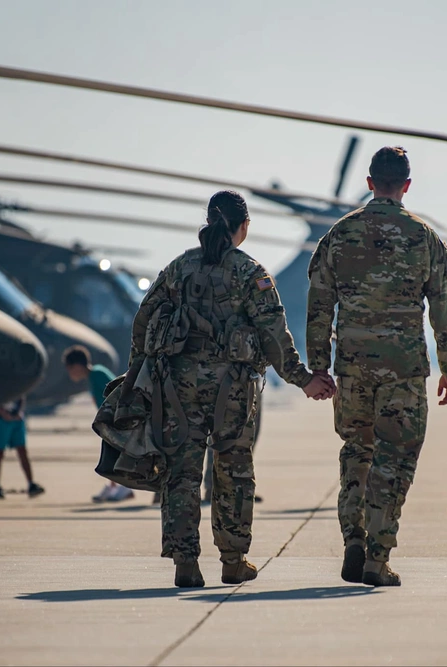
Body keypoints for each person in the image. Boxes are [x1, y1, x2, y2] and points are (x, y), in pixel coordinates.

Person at [130, 189, 334, 588]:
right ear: (243, 227)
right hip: (233, 392)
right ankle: (233, 560)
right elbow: (274, 334)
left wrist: (137, 378)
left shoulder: (179, 269)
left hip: (177, 389)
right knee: (233, 471)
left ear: (208, 222)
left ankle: (185, 563)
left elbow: (143, 321)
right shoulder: (251, 273)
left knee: (181, 473)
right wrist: (303, 379)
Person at [307, 146, 447, 587]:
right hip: (404, 371)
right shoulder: (423, 237)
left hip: (352, 371)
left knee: (357, 453)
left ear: (371, 182)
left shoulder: (339, 235)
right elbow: (445, 305)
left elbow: (318, 305)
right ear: (407, 186)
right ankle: (377, 557)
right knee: (396, 460)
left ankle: (353, 541)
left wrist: (318, 367)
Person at [63, 345, 134, 503]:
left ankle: (124, 487)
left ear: (77, 366)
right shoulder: (93, 375)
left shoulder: (97, 374)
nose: (70, 373)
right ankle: (114, 486)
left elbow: (117, 392)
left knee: (114, 452)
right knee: (111, 453)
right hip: (110, 420)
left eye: (70, 369)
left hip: (115, 419)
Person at [0, 395, 45, 499]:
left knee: (22, 451)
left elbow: (22, 394)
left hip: (17, 420)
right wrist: (3, 413)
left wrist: (19, 411)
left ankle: (31, 484)